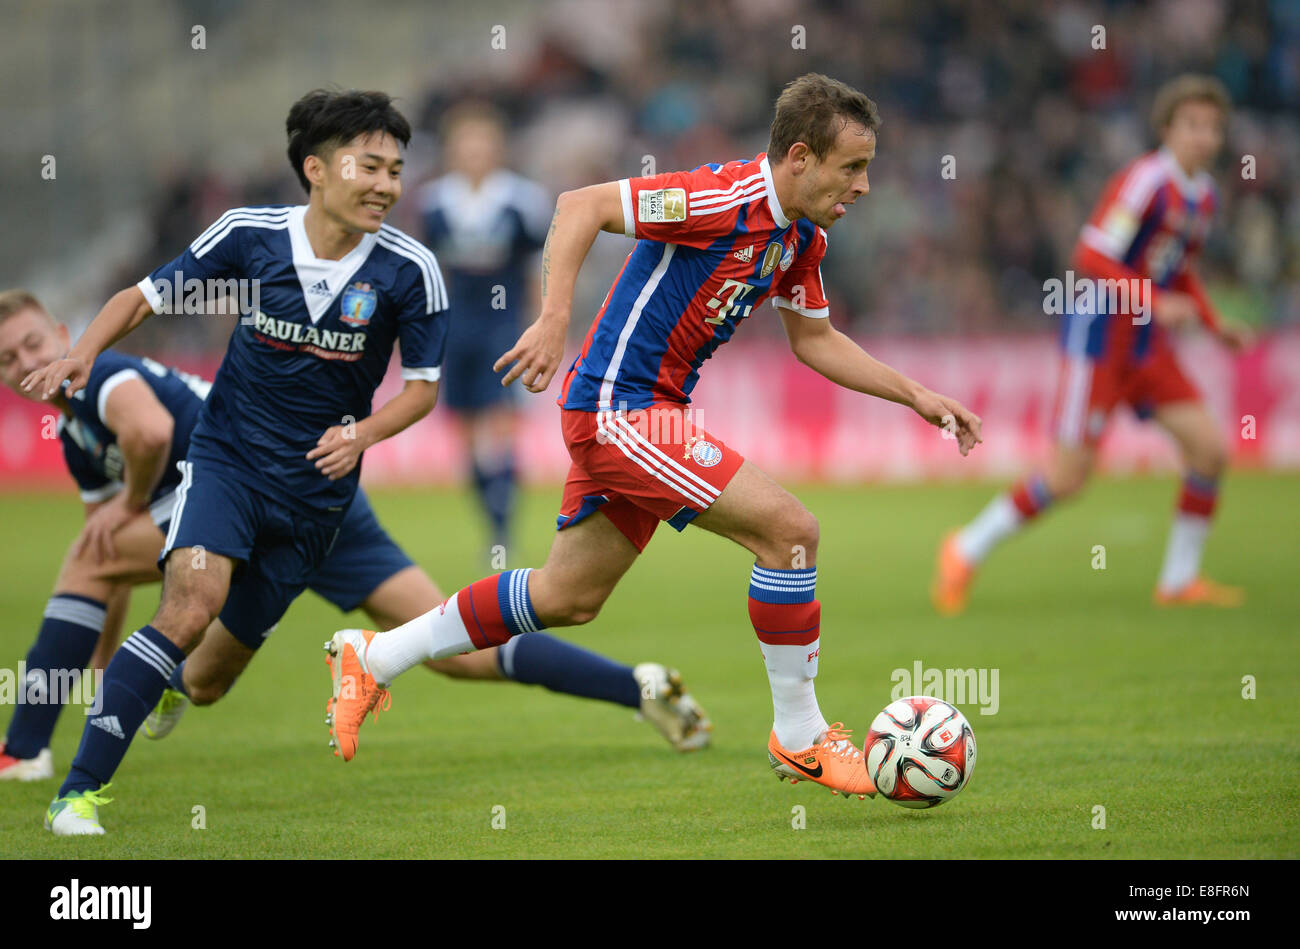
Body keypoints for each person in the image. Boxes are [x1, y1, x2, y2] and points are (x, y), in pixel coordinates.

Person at [323, 73, 982, 799]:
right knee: (791, 532)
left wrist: (915, 394)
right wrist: (551, 318)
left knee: (567, 595)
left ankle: (375, 656)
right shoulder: (720, 198)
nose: (862, 185)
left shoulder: (799, 239)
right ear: (800, 156)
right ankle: (800, 736)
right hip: (618, 405)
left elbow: (817, 341)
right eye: (851, 167)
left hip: (649, 409)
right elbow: (583, 205)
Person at [0, 293, 709, 784]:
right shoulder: (71, 432)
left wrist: (126, 503)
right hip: (313, 505)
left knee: (90, 560)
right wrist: (103, 666)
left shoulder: (101, 377)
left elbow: (149, 435)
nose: (24, 360)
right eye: (7, 358)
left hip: (250, 498)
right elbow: (109, 572)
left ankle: (25, 748)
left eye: (33, 341)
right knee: (446, 645)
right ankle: (637, 685)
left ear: (64, 335)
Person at [932, 75, 1251, 616]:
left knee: (1210, 451)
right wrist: (1152, 298)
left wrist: (1213, 322)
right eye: (1192, 124)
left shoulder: (1204, 196)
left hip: (1148, 346)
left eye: (1213, 127)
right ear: (1167, 128)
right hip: (1100, 338)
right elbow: (1091, 254)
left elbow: (1181, 270)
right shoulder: (1146, 181)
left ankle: (1178, 581)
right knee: (1067, 477)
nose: (1204, 136)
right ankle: (964, 549)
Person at [419, 103, 551, 559]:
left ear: (497, 149)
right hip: (458, 326)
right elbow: (433, 270)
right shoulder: (434, 201)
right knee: (468, 430)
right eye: (465, 144)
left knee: (501, 421)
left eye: (482, 144)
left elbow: (537, 267)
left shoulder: (522, 201)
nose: (474, 153)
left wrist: (541, 320)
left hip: (504, 324)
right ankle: (490, 523)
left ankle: (503, 526)